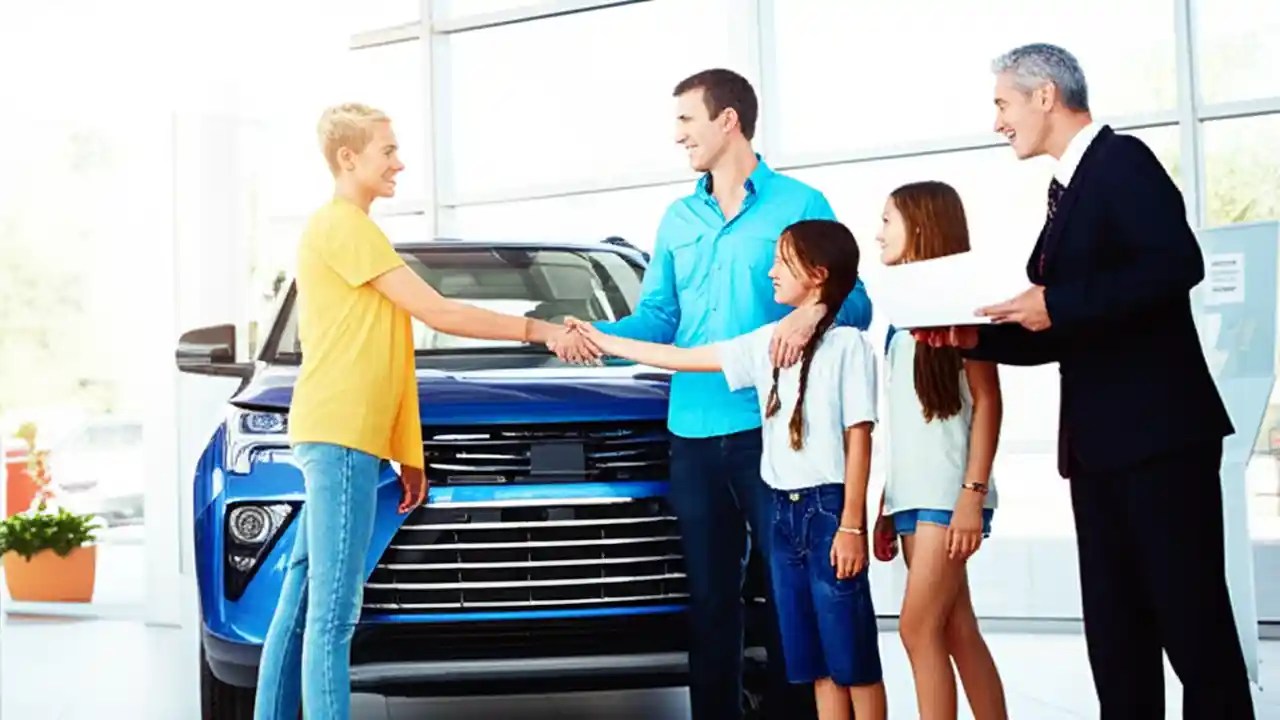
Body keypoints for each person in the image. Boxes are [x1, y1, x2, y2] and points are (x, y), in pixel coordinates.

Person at [917, 44, 1254, 718]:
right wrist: (974, 338)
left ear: (1045, 95)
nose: (997, 122)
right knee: (1116, 634)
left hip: (1158, 441)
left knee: (1193, 631)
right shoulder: (1069, 188)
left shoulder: (1120, 162)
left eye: (1002, 104)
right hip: (1103, 449)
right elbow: (1066, 327)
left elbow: (1176, 264)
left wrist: (1057, 303)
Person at [552, 68, 873, 720]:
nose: (678, 137)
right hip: (692, 431)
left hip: (775, 432)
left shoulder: (799, 202)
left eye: (686, 121)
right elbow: (657, 322)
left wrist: (809, 314)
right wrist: (593, 335)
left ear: (728, 120)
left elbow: (856, 301)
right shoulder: (677, 218)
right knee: (709, 601)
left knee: (789, 598)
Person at [253, 103, 567, 720]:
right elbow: (439, 314)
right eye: (387, 150)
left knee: (302, 599)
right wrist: (539, 330)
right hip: (342, 435)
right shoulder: (344, 226)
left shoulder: (352, 230)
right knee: (333, 615)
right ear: (349, 158)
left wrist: (406, 451)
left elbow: (389, 353)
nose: (399, 161)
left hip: (353, 436)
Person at [869, 181, 1008, 719]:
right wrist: (886, 501)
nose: (878, 232)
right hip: (914, 495)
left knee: (916, 627)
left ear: (921, 227)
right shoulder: (904, 316)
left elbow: (989, 403)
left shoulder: (963, 308)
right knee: (955, 627)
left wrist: (972, 495)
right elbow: (908, 422)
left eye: (887, 220)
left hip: (948, 495)